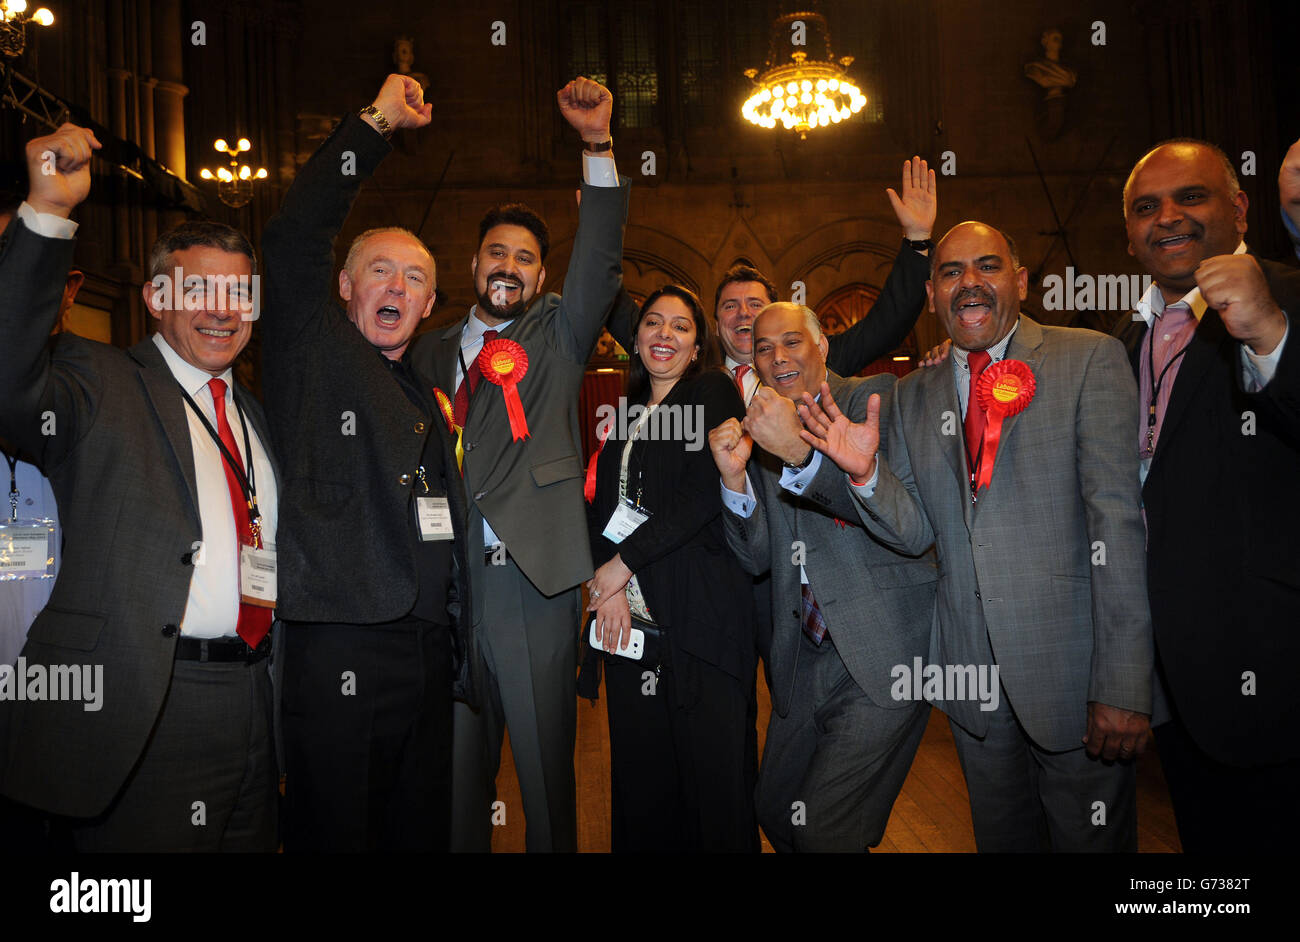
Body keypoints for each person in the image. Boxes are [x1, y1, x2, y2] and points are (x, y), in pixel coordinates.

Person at [807, 222, 1152, 852]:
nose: (969, 283)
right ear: (933, 297)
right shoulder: (912, 396)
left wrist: (1124, 682)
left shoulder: (1089, 359)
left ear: (1020, 281)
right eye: (950, 272)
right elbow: (914, 534)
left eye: (988, 266)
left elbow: (1119, 526)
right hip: (972, 690)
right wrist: (865, 475)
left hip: (1074, 679)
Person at [0, 123, 280, 851]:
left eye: (238, 292)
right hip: (145, 706)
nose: (222, 309)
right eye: (199, 291)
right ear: (156, 297)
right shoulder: (98, 379)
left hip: (254, 701)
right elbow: (8, 376)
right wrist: (48, 213)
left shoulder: (252, 411)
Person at [410, 76, 629, 853]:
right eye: (496, 251)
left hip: (534, 583)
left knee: (543, 780)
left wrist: (597, 145)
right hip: (450, 590)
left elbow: (601, 263)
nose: (509, 265)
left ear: (540, 277)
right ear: (472, 261)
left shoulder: (558, 337)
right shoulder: (429, 349)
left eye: (526, 258)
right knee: (459, 785)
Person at [260, 74, 470, 852]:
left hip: (424, 652)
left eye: (416, 279)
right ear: (344, 287)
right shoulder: (310, 349)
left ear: (427, 305)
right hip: (341, 640)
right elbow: (292, 236)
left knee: (418, 832)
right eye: (381, 270)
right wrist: (377, 123)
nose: (398, 286)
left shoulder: (425, 385)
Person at [1112, 139, 1300, 852]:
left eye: (1191, 196)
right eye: (1145, 206)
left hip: (1277, 675)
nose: (1168, 217)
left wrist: (1272, 335)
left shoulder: (1290, 293)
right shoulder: (1117, 342)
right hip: (1173, 692)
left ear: (1240, 207)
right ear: (1129, 232)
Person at [709, 301, 936, 852]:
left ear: (823, 346)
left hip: (884, 651)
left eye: (792, 341)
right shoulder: (761, 429)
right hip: (803, 658)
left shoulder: (879, 399)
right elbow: (758, 558)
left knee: (824, 829)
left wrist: (799, 455)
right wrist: (735, 482)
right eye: (763, 347)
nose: (777, 356)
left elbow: (913, 533)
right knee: (774, 808)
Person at [577, 285, 753, 851]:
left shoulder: (711, 392)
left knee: (714, 794)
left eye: (680, 326)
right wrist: (606, 589)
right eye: (653, 323)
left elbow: (701, 497)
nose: (664, 335)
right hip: (630, 630)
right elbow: (603, 510)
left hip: (699, 624)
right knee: (644, 790)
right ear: (634, 338)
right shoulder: (626, 413)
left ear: (697, 344)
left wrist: (622, 564)